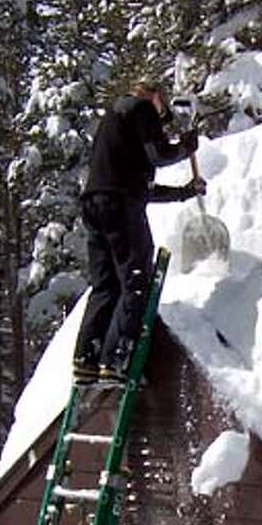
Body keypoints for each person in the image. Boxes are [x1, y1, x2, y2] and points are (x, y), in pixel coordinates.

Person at [73, 79, 205, 383]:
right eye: (162, 113)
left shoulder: (113, 121)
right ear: (155, 96)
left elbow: (141, 189)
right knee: (135, 279)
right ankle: (115, 359)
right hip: (119, 206)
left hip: (95, 204)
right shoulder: (141, 107)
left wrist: (185, 191)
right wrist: (186, 146)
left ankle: (86, 358)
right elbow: (159, 155)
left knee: (106, 285)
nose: (159, 120)